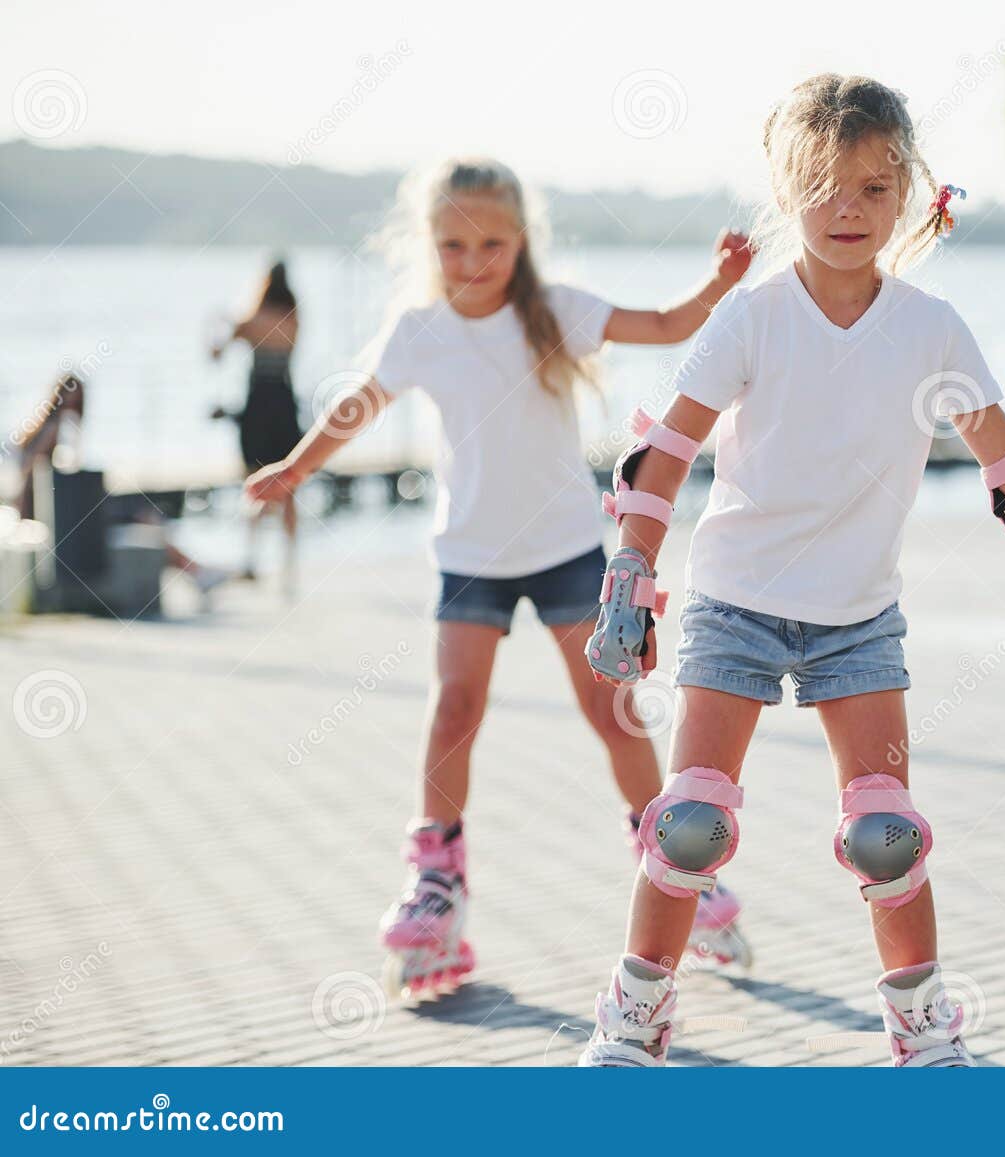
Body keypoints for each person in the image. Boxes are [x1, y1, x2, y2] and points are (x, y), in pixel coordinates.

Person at [579, 74, 1005, 1067]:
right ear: (782, 193)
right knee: (688, 822)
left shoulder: (929, 328)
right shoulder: (751, 317)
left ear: (908, 193)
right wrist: (630, 579)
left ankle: (921, 1030)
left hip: (857, 615)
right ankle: (633, 1017)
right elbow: (660, 453)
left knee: (886, 833)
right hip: (734, 602)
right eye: (821, 186)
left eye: (871, 187)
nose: (846, 209)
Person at [243, 157, 755, 999]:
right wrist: (295, 469)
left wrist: (719, 281)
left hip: (563, 546)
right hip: (469, 554)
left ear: (522, 241)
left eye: (492, 242)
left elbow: (664, 325)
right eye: (453, 243)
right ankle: (435, 874)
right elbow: (356, 406)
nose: (473, 259)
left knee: (611, 706)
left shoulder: (553, 311)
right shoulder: (419, 329)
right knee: (455, 707)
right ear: (426, 244)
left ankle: (676, 863)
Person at [9, 372, 229, 605]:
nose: (73, 407)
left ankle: (196, 572)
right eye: (69, 400)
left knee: (147, 519)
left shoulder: (49, 429)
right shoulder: (53, 429)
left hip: (69, 510)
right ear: (58, 399)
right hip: (56, 515)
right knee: (145, 518)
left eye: (77, 401)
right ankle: (196, 573)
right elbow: (40, 472)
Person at [211, 259, 303, 592]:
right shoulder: (294, 319)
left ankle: (250, 559)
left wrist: (223, 321)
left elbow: (215, 353)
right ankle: (289, 563)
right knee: (289, 485)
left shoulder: (251, 321)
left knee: (253, 482)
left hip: (257, 408)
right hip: (285, 404)